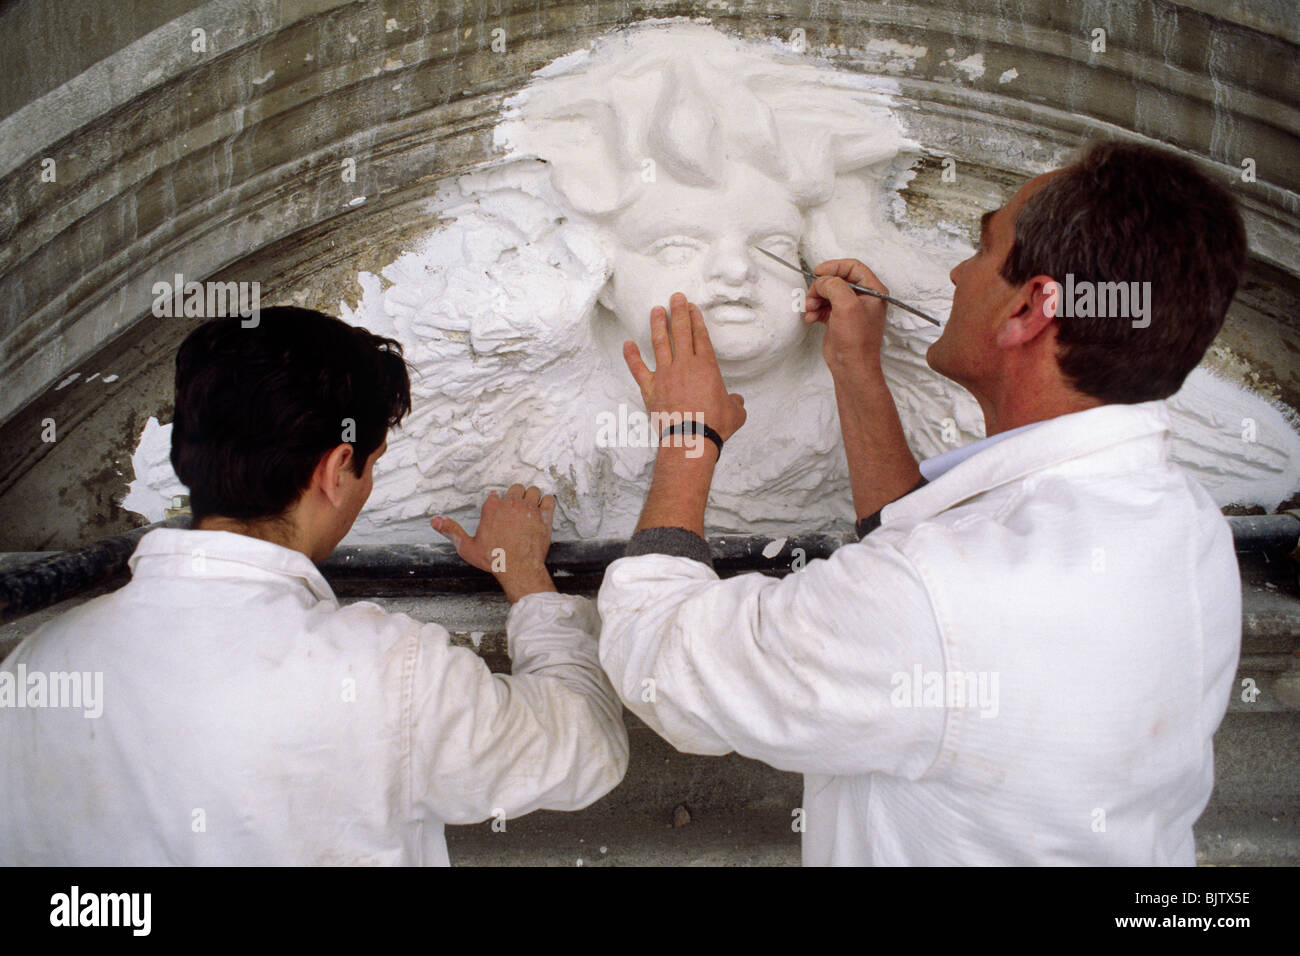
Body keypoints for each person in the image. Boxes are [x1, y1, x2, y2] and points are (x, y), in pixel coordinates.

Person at [596, 139, 1248, 865]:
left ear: (1030, 307)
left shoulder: (941, 602)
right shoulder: (1181, 518)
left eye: (983, 245)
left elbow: (660, 663)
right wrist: (855, 368)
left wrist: (690, 436)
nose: (957, 271)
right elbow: (925, 568)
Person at [0, 306, 627, 865]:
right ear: (335, 469)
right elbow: (587, 746)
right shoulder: (389, 679)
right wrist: (526, 579)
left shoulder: (37, 668)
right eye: (371, 465)